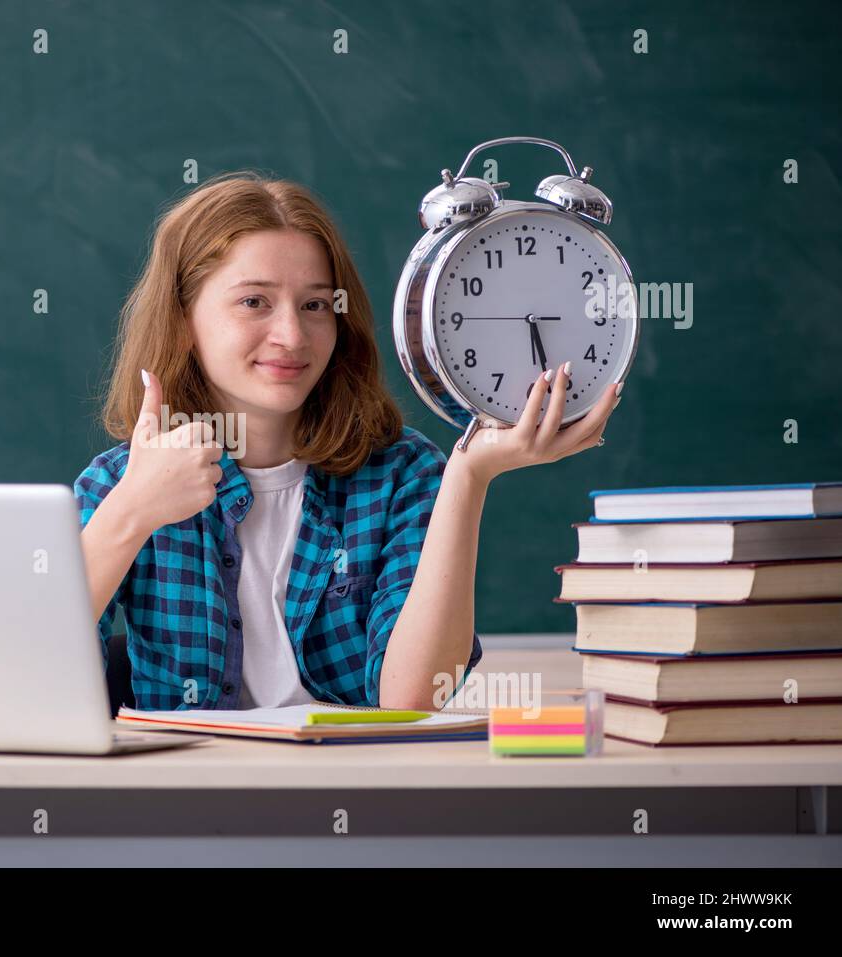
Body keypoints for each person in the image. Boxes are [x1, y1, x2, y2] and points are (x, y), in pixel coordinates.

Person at [74, 171, 620, 712]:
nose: (291, 335)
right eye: (254, 303)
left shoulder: (400, 476)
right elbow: (25, 678)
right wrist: (131, 512)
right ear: (183, 318)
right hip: (192, 792)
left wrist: (469, 475)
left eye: (315, 305)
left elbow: (410, 700)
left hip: (361, 787)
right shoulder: (118, 484)